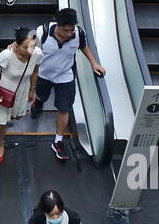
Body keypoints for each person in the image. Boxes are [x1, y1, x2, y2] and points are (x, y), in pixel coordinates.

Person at [31, 9, 106, 161]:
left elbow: (83, 46)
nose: (69, 33)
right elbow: (28, 44)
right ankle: (38, 101)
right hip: (44, 75)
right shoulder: (42, 32)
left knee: (64, 108)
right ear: (57, 25)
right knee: (42, 95)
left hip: (66, 76)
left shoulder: (78, 33)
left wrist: (94, 63)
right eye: (66, 30)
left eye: (71, 30)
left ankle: (58, 141)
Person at [0, 28, 42, 164]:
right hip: (4, 89)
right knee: (1, 122)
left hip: (22, 89)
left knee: (18, 116)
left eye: (31, 46)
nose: (29, 50)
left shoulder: (37, 53)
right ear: (16, 46)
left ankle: (5, 123)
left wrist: (32, 89)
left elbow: (35, 71)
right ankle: (0, 143)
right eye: (25, 47)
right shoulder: (7, 55)